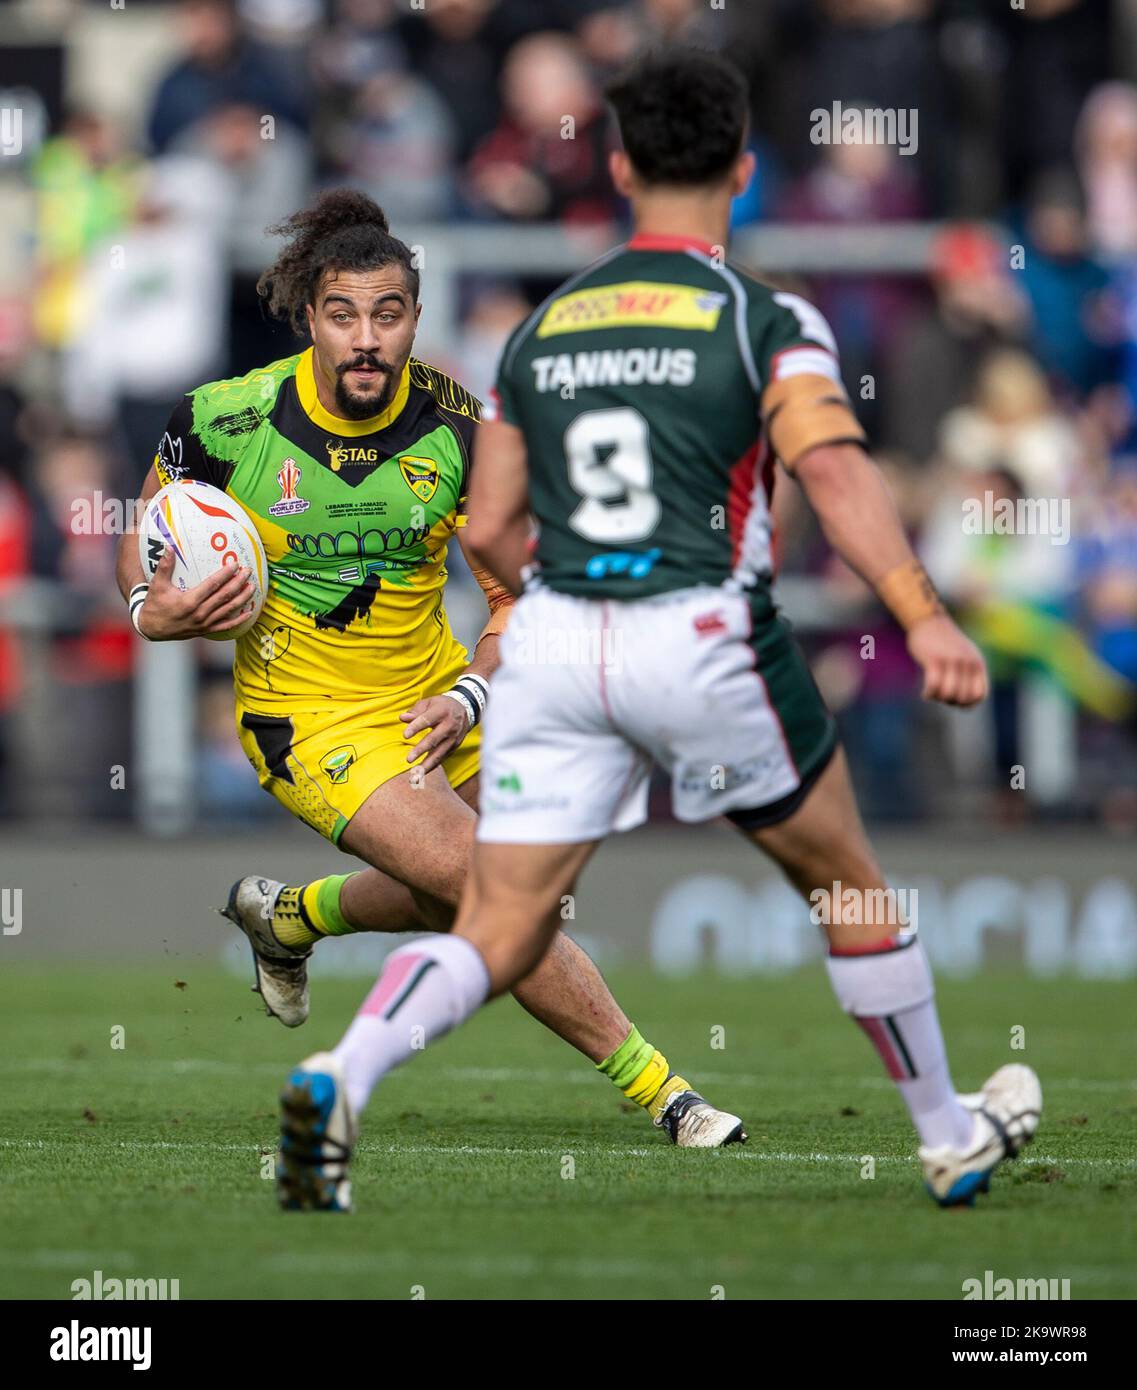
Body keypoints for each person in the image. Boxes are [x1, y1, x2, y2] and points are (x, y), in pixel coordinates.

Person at [282, 51, 1042, 1213]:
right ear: (742, 168)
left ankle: (343, 1072)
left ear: (623, 164)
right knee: (849, 887)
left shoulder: (547, 329)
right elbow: (833, 471)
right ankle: (946, 1133)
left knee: (502, 916)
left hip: (560, 646)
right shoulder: (762, 315)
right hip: (701, 636)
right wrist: (923, 615)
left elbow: (488, 522)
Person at [114, 189, 746, 1171]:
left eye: (388, 314)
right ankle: (666, 1092)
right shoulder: (222, 422)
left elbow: (514, 598)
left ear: (415, 313)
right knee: (499, 885)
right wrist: (153, 612)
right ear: (310, 318)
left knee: (495, 878)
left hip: (442, 704)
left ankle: (290, 915)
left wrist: (471, 698)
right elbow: (143, 548)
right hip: (309, 720)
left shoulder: (463, 430)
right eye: (343, 315)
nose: (366, 339)